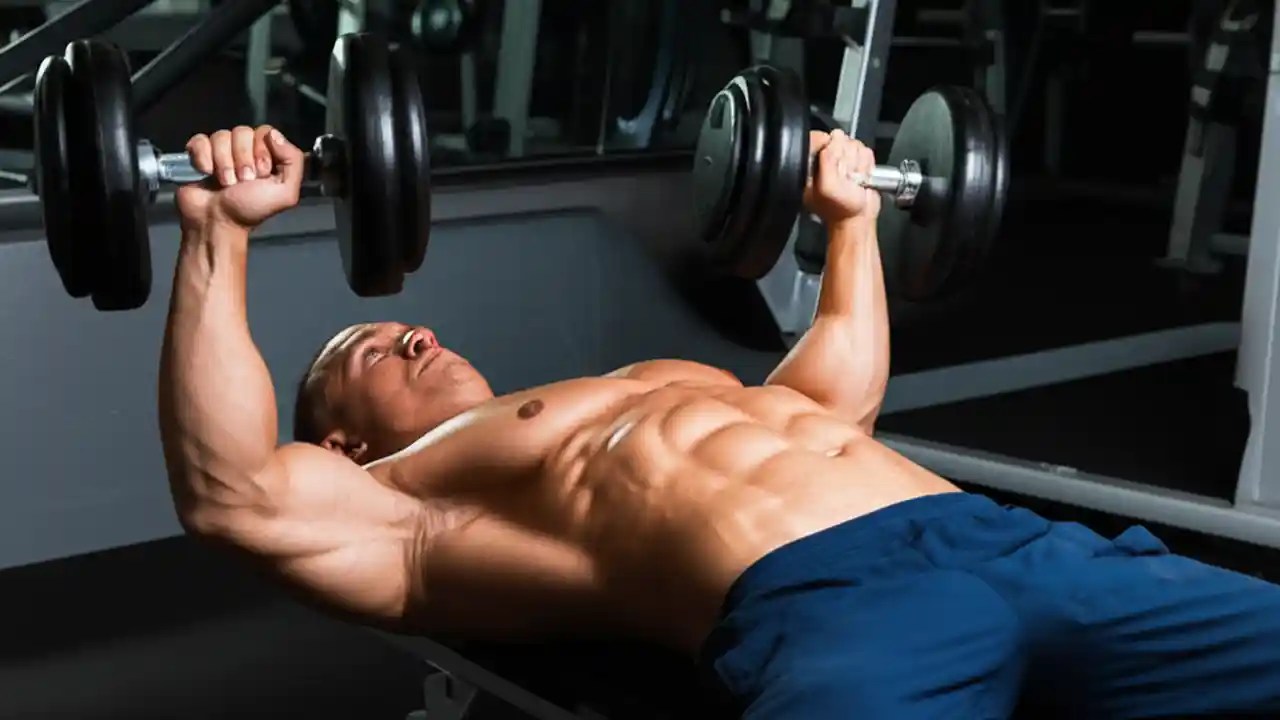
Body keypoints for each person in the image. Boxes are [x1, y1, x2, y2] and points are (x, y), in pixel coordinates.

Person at [159, 124, 1280, 719]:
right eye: (366, 351)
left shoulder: (646, 378)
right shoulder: (412, 511)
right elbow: (233, 493)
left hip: (1013, 545)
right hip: (836, 610)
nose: (410, 336)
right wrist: (217, 235)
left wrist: (847, 223)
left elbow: (829, 399)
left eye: (402, 329)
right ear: (341, 444)